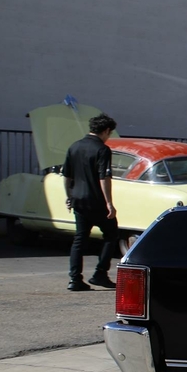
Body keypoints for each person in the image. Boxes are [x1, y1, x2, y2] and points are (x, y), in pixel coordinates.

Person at [63, 113, 119, 291]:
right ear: (106, 130)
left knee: (80, 239)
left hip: (78, 199)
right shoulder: (102, 149)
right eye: (109, 133)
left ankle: (74, 279)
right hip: (96, 200)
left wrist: (69, 196)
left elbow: (66, 176)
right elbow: (104, 177)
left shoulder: (74, 146)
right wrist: (109, 203)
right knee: (111, 236)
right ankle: (100, 273)